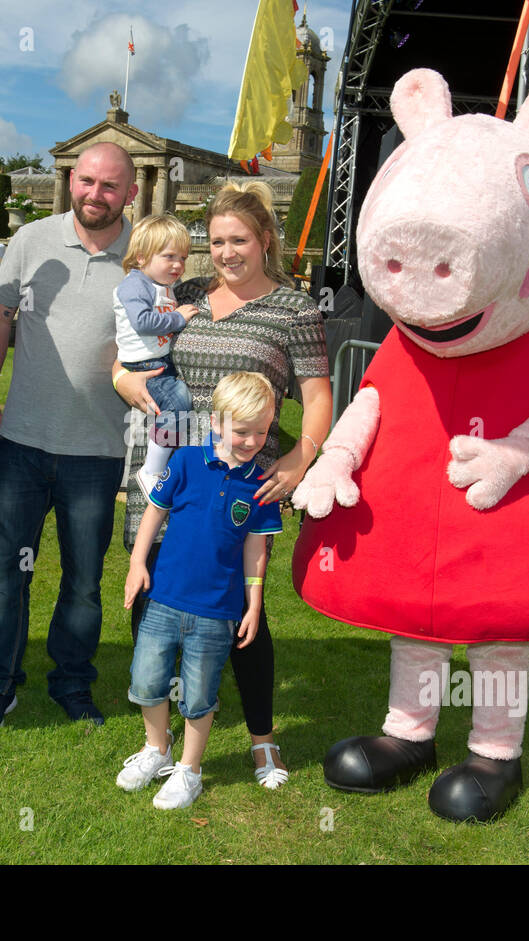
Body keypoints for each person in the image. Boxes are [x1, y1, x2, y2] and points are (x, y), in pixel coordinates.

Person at [114, 180, 332, 788]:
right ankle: (159, 742)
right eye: (216, 241)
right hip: (173, 472)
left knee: (238, 612)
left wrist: (299, 462)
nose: (227, 252)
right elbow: (131, 350)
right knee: (153, 596)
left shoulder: (295, 310)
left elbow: (318, 398)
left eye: (238, 240)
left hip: (241, 482)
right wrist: (121, 378)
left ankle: (263, 741)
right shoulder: (184, 294)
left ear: (266, 241)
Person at [0, 141, 139, 728]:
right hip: (23, 441)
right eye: (86, 180)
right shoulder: (32, 240)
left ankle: (72, 684)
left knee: (84, 585)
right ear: (72, 179)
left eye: (110, 185)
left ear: (131, 192)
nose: (95, 193)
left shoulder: (143, 256)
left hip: (98, 452)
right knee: (3, 578)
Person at [119, 372, 282, 809]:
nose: (252, 441)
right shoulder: (187, 461)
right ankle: (157, 749)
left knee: (198, 695)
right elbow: (155, 510)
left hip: (217, 612)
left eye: (261, 432)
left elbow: (256, 550)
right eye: (242, 431)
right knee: (147, 681)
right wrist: (137, 563)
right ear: (216, 423)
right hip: (164, 599)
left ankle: (189, 771)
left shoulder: (261, 488)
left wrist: (253, 603)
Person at [113, 214, 199, 494]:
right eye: (169, 256)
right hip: (143, 365)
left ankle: (161, 465)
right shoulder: (134, 285)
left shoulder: (160, 286)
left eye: (183, 258)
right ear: (141, 258)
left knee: (179, 409)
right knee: (178, 404)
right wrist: (178, 319)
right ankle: (151, 470)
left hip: (156, 361)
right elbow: (143, 322)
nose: (179, 265)